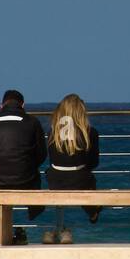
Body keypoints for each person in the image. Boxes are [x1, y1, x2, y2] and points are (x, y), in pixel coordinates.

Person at [0, 89, 46, 245]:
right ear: (23, 105)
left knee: (1, 178)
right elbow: (41, 154)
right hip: (26, 180)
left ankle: (3, 235)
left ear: (1, 105)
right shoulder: (32, 122)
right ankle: (34, 210)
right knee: (35, 177)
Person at [42, 93, 101, 244]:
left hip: (55, 181)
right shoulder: (90, 132)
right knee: (86, 178)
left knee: (57, 173)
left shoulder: (53, 132)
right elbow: (94, 162)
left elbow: (51, 159)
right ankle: (92, 211)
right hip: (80, 181)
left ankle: (59, 229)